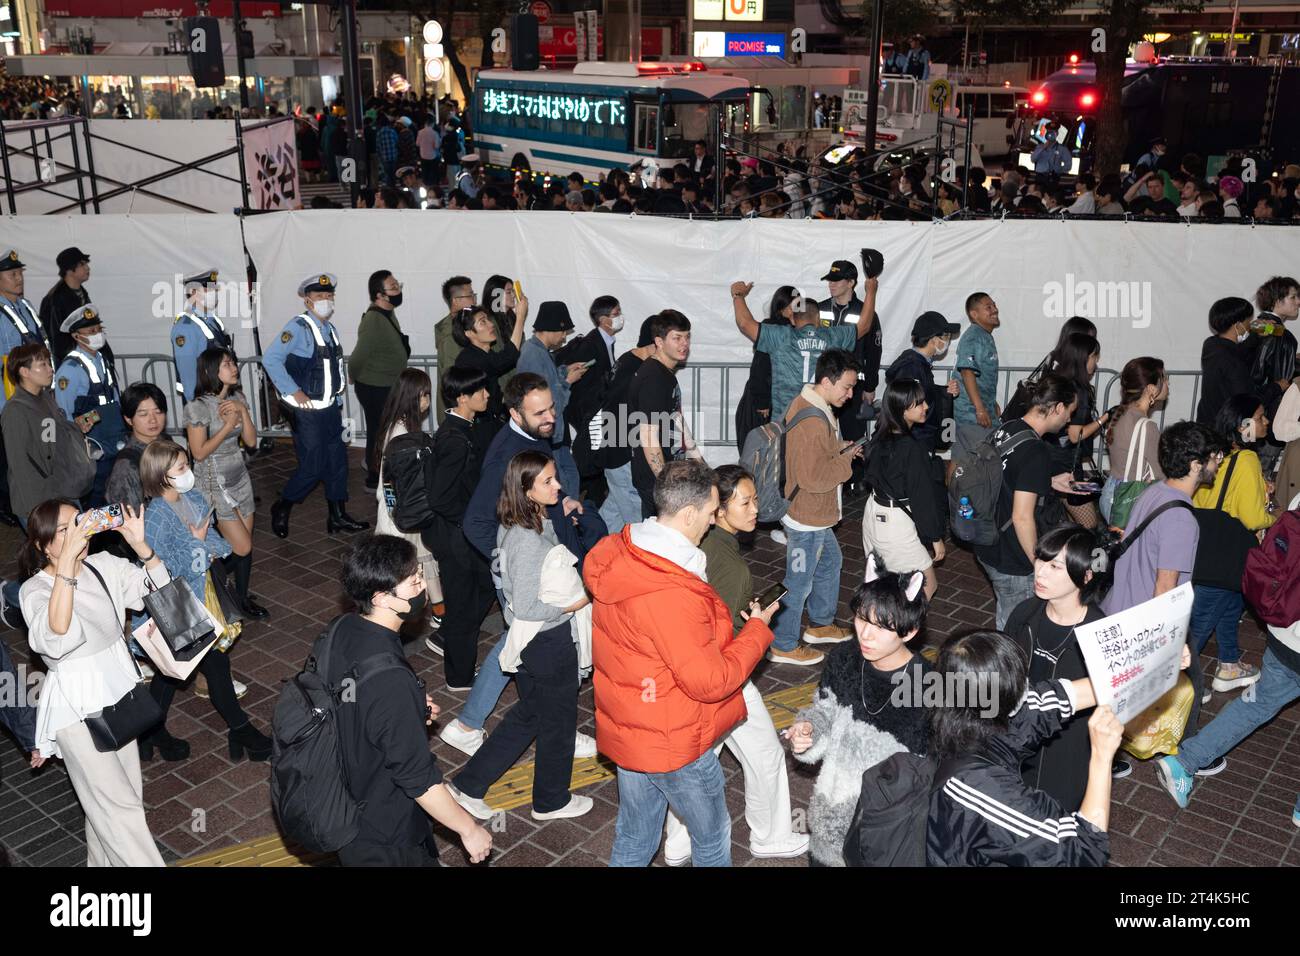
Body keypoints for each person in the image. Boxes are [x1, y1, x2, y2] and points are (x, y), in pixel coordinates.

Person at [584, 459, 779, 866]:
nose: (712, 523)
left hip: (632, 727)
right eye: (710, 514)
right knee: (711, 839)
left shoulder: (621, 550)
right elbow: (709, 681)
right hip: (674, 739)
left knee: (636, 835)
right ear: (689, 514)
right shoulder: (671, 590)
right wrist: (757, 631)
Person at [439, 373, 601, 759]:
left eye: (551, 408)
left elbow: (519, 498)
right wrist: (505, 561)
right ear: (515, 413)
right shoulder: (506, 454)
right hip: (530, 569)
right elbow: (477, 520)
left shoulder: (530, 436)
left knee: (518, 644)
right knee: (542, 648)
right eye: (539, 412)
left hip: (543, 560)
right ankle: (552, 727)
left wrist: (557, 504)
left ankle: (468, 725)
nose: (550, 417)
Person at [663, 464, 808, 864]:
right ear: (719, 510)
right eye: (744, 502)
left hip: (696, 673)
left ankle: (678, 840)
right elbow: (719, 631)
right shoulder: (731, 565)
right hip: (724, 674)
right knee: (764, 752)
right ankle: (771, 836)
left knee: (700, 756)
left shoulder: (704, 545)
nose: (754, 508)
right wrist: (758, 625)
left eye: (755, 499)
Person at [19, 498, 167, 866]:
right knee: (122, 811)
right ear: (43, 545)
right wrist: (67, 566)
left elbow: (161, 593)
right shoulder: (34, 591)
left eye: (79, 522)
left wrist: (140, 547)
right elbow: (57, 637)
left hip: (118, 697)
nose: (78, 534)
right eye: (66, 530)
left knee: (116, 804)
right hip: (75, 711)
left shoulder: (104, 566)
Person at [447, 452, 593, 823]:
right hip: (547, 642)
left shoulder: (522, 522)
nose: (557, 486)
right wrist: (573, 605)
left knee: (529, 716)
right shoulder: (526, 539)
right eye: (547, 481)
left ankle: (468, 785)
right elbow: (529, 607)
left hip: (529, 644)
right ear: (526, 491)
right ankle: (550, 800)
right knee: (558, 723)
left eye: (554, 478)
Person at [333, 534, 493, 866]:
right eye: (413, 581)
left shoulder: (344, 629)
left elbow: (354, 698)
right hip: (382, 830)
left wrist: (408, 710)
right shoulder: (390, 681)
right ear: (381, 598)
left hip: (347, 794)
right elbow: (417, 777)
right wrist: (468, 829)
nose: (422, 586)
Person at [926, 631, 1124, 866]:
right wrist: (1101, 757)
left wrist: (1155, 661)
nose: (1028, 687)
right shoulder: (978, 788)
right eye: (1021, 681)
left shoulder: (967, 713)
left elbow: (1060, 698)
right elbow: (1083, 851)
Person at [787, 558, 931, 865]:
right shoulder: (844, 658)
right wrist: (809, 731)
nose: (865, 635)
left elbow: (926, 776)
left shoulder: (928, 688)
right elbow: (824, 710)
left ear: (909, 631)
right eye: (862, 620)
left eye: (880, 627)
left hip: (886, 834)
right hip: (832, 813)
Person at [140, 440, 272, 764]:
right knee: (200, 666)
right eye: (181, 469)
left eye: (186, 465)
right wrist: (199, 547)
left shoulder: (193, 497)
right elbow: (162, 568)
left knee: (175, 671)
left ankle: (148, 730)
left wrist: (213, 547)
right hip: (180, 601)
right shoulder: (156, 517)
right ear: (161, 476)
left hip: (203, 593)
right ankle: (240, 730)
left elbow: (215, 539)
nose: (188, 473)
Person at [769, 349, 864, 666]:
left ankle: (820, 624)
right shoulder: (814, 419)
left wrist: (842, 447)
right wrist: (847, 462)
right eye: (846, 387)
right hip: (806, 516)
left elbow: (817, 451)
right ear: (826, 381)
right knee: (798, 581)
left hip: (813, 515)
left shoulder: (812, 404)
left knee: (829, 562)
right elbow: (814, 476)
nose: (850, 395)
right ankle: (783, 643)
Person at [1005, 526, 1108, 811]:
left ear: (1085, 575)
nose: (1040, 572)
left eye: (1055, 566)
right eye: (1041, 560)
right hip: (1019, 741)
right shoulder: (1024, 613)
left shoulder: (1099, 633)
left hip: (1067, 750)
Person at [264, 273, 369, 539]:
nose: (326, 301)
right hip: (307, 412)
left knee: (337, 462)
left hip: (331, 409)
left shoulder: (329, 329)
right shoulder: (298, 328)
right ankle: (283, 505)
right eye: (321, 297)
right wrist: (293, 391)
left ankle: (337, 516)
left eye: (330, 296)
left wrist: (338, 398)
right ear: (308, 300)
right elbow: (271, 359)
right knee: (313, 466)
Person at [1188, 395, 1273, 705]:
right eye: (1261, 417)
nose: (1266, 423)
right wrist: (1273, 516)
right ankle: (1173, 686)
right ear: (1244, 426)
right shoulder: (1247, 459)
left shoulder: (1216, 454)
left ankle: (1229, 665)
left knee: (1230, 606)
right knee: (1199, 626)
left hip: (1206, 545)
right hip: (1229, 553)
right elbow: (1251, 517)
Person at [974, 375, 1078, 630]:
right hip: (1012, 556)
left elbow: (1008, 474)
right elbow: (1022, 518)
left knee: (1007, 614)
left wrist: (1049, 481)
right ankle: (1007, 668)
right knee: (1014, 628)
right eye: (1069, 413)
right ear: (1058, 408)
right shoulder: (1035, 450)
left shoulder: (1007, 428)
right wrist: (1038, 562)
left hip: (986, 539)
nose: (1069, 420)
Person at [423, 367, 493, 690]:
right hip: (456, 539)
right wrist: (470, 520)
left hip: (460, 535)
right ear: (463, 398)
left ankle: (449, 637)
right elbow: (440, 497)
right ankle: (459, 677)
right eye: (480, 391)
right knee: (464, 604)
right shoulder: (455, 439)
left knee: (484, 588)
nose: (487, 395)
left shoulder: (459, 428)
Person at [185, 347, 266, 619]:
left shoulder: (238, 398)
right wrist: (227, 424)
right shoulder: (197, 407)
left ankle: (241, 598)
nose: (234, 367)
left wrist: (242, 411)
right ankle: (204, 575)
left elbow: (252, 442)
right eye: (227, 364)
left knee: (244, 547)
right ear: (211, 372)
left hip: (239, 477)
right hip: (213, 482)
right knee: (242, 547)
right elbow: (198, 452)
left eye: (233, 362)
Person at [863, 379, 947, 598]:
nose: (926, 407)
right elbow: (923, 498)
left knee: (885, 585)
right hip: (895, 524)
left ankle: (885, 624)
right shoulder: (911, 448)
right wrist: (935, 538)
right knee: (926, 587)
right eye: (918, 403)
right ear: (902, 409)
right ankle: (899, 629)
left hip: (873, 513)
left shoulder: (878, 436)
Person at [1, 343, 94, 525]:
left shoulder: (44, 398)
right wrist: (39, 510)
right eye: (42, 364)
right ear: (24, 372)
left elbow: (49, 439)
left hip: (61, 490)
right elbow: (20, 466)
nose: (51, 369)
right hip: (40, 503)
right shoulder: (15, 411)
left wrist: (75, 427)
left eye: (48, 363)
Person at [627, 309, 704, 518]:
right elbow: (648, 435)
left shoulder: (664, 373)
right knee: (658, 542)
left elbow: (675, 417)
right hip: (656, 480)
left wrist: (697, 458)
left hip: (666, 473)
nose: (684, 344)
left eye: (687, 337)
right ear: (659, 342)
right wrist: (664, 483)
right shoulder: (654, 378)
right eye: (676, 338)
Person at [816, 260, 883, 488]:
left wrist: (870, 386)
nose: (831, 285)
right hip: (824, 387)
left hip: (854, 388)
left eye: (836, 280)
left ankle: (855, 480)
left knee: (854, 434)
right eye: (829, 280)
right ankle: (825, 475)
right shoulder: (819, 309)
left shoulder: (865, 312)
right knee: (822, 433)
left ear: (852, 283)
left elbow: (874, 351)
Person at [55, 305, 126, 507]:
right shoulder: (69, 371)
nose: (97, 335)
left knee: (114, 493)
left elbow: (113, 399)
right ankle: (96, 539)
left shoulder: (101, 359)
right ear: (77, 336)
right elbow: (66, 416)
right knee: (96, 498)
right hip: (93, 447)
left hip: (113, 438)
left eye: (99, 329)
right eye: (91, 331)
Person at [350, 269, 411, 489]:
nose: (397, 290)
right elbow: (358, 357)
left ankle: (373, 464)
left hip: (386, 384)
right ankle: (373, 478)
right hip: (375, 387)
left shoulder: (388, 314)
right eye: (393, 287)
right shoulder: (374, 320)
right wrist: (353, 376)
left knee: (381, 430)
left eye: (398, 285)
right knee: (379, 432)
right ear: (379, 295)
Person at [1045, 333, 1107, 527]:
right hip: (1066, 465)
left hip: (1051, 459)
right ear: (1083, 358)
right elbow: (1075, 435)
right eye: (1094, 356)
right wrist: (1104, 418)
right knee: (1089, 525)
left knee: (1071, 524)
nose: (1096, 362)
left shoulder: (1056, 380)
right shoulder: (1078, 390)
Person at [450, 300, 528, 449]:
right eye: (482, 322)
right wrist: (520, 318)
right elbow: (508, 357)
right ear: (469, 333)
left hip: (491, 422)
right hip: (480, 428)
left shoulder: (483, 353)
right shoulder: (470, 359)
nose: (491, 325)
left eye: (488, 320)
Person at [516, 300, 588, 456]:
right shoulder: (535, 356)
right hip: (547, 439)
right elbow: (551, 407)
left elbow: (548, 379)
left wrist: (564, 370)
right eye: (562, 331)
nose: (564, 337)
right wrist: (569, 381)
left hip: (549, 437)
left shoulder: (536, 350)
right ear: (550, 328)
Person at [1100, 357, 1167, 523]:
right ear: (1151, 389)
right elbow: (1160, 474)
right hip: (1130, 500)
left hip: (1112, 493)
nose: (1167, 384)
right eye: (1164, 379)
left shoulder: (1120, 413)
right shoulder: (1146, 425)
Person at [883, 311, 961, 452]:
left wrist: (945, 391)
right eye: (946, 336)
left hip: (916, 439)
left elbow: (921, 392)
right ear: (933, 340)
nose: (947, 341)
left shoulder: (918, 364)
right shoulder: (911, 367)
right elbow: (907, 404)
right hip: (913, 440)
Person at [170, 269, 234, 404]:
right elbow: (187, 372)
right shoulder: (185, 327)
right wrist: (196, 406)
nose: (214, 293)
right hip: (203, 400)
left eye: (214, 290)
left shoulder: (213, 320)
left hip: (221, 395)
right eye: (208, 290)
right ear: (194, 293)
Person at [1195, 296, 1260, 425]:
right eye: (1248, 321)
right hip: (1225, 428)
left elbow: (1236, 350)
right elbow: (1246, 400)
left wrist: (1255, 336)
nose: (1250, 326)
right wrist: (1276, 387)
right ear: (1237, 325)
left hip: (1207, 420)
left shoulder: (1211, 345)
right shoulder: (1233, 362)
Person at [105, 382, 168, 511]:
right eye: (143, 414)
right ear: (129, 419)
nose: (153, 420)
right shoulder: (127, 465)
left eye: (158, 412)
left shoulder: (167, 442)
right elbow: (130, 517)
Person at [953, 291, 1002, 451]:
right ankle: (954, 478)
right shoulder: (973, 337)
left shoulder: (984, 335)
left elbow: (980, 375)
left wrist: (990, 402)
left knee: (976, 458)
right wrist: (980, 409)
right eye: (988, 307)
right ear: (974, 314)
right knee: (965, 458)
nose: (995, 309)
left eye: (994, 305)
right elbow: (967, 372)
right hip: (970, 414)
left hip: (980, 410)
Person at [434, 275, 477, 421]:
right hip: (458, 410)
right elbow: (452, 379)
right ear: (455, 301)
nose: (474, 300)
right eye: (470, 295)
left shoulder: (461, 326)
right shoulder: (450, 335)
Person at [38, 246, 89, 364]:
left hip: (82, 358)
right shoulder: (55, 300)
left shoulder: (81, 293)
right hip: (69, 363)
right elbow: (55, 341)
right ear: (70, 270)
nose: (87, 267)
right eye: (82, 264)